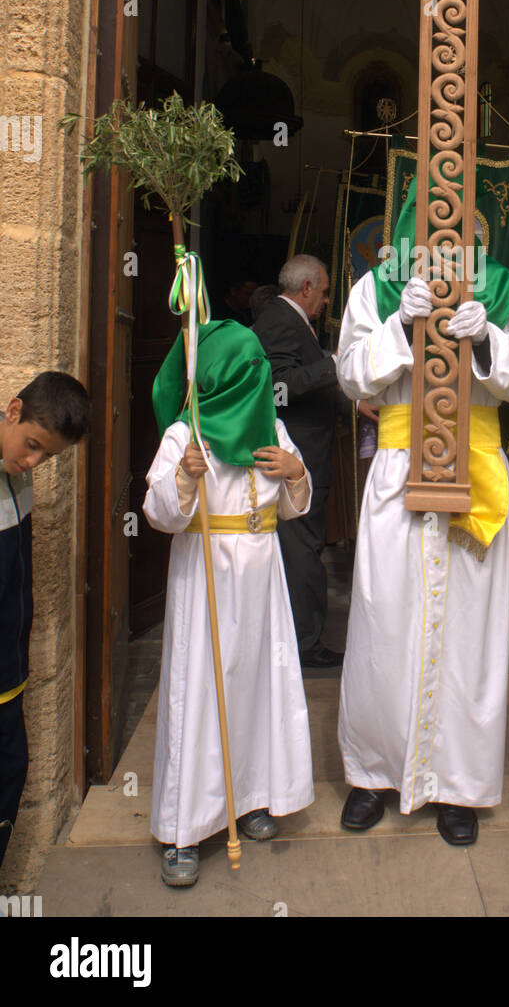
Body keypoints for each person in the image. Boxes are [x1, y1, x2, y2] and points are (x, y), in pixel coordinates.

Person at [335, 179, 509, 846]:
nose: (448, 241)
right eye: (432, 227)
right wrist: (400, 324)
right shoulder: (374, 289)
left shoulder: (503, 289)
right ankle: (375, 774)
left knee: (469, 632)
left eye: (460, 230)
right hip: (400, 469)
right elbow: (349, 373)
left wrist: (488, 341)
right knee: (382, 621)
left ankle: (460, 785)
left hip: (476, 469)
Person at [143, 319, 314, 887]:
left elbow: (293, 507)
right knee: (201, 691)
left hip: (262, 578)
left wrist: (295, 473)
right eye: (245, 375)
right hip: (207, 574)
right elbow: (160, 514)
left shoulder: (274, 429)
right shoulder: (183, 435)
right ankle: (185, 828)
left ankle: (255, 796)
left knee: (257, 687)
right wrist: (186, 478)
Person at [0, 372, 90, 868]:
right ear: (13, 411)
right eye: (32, 445)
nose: (33, 462)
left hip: (9, 671)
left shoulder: (19, 472)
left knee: (12, 773)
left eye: (47, 457)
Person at [253, 254, 345, 668]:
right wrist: (334, 365)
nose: (326, 301)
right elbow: (277, 388)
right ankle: (304, 643)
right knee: (302, 550)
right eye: (324, 292)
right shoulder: (279, 320)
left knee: (302, 549)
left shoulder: (290, 321)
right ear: (306, 288)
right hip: (296, 460)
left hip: (307, 454)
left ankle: (298, 636)